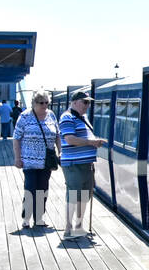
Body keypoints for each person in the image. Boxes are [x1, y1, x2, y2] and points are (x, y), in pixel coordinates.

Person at [59, 90, 103, 242]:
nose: (87, 105)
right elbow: (70, 139)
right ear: (74, 102)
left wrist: (94, 141)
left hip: (86, 164)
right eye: (85, 102)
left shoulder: (83, 118)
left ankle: (78, 227)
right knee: (73, 195)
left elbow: (83, 137)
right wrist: (91, 143)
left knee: (84, 196)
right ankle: (68, 229)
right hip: (73, 164)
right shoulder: (67, 117)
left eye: (89, 102)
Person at [13, 91, 61, 229]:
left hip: (46, 161)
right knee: (30, 188)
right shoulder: (25, 116)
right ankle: (26, 218)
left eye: (47, 102)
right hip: (29, 161)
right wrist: (17, 158)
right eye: (41, 103)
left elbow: (57, 135)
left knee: (43, 189)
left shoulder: (51, 115)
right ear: (34, 103)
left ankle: (39, 218)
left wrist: (60, 151)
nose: (44, 105)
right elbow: (16, 138)